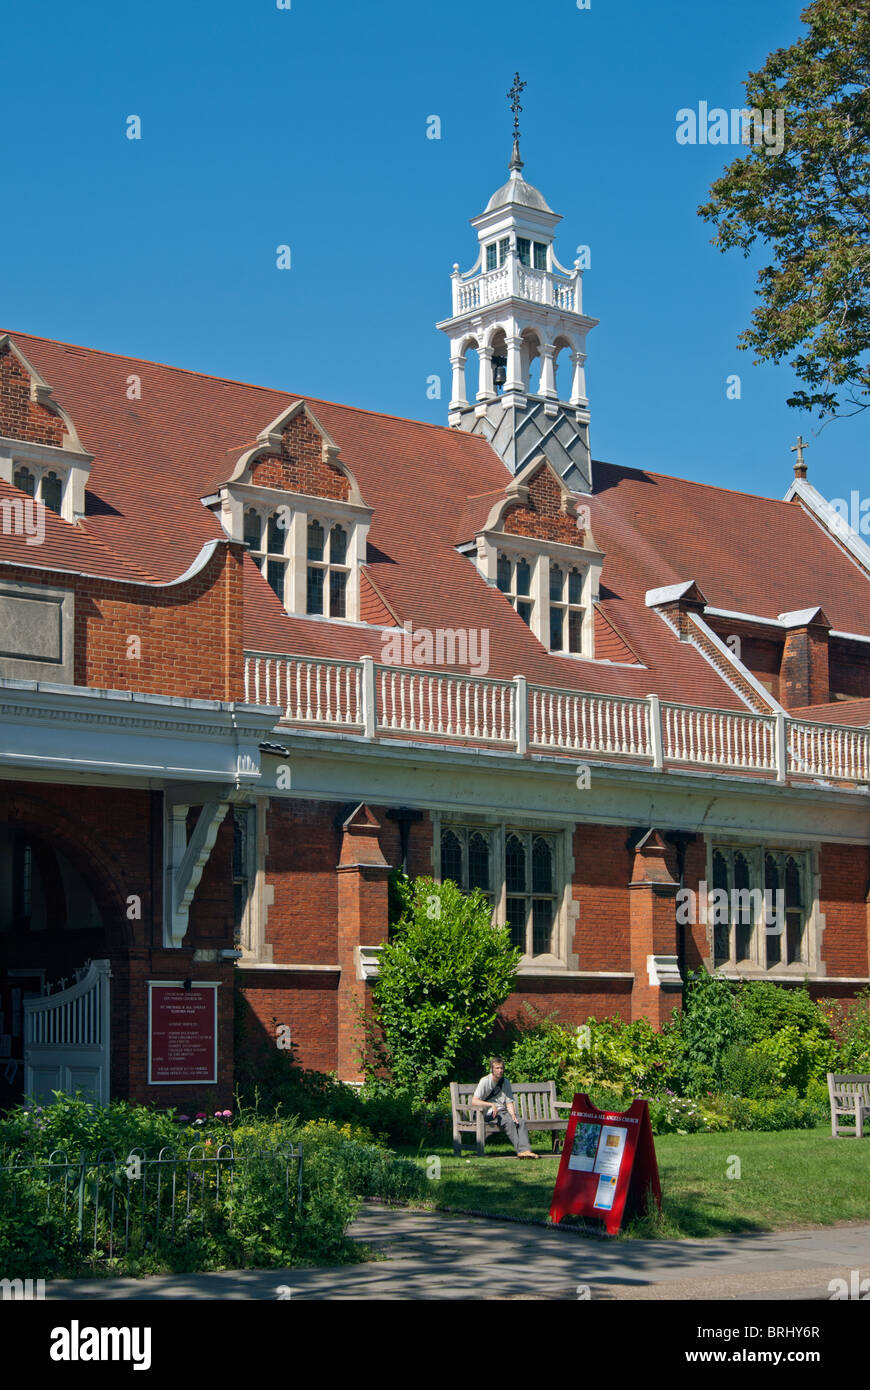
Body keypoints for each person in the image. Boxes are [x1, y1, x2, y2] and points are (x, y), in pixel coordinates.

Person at [471, 1056, 539, 1158]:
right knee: (509, 1121)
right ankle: (520, 1151)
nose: (500, 1071)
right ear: (492, 1069)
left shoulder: (505, 1082)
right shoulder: (485, 1081)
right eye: (497, 1068)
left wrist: (513, 1114)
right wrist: (491, 1104)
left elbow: (509, 1102)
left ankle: (526, 1150)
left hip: (502, 1112)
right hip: (487, 1113)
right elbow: (474, 1101)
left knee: (519, 1121)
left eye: (501, 1068)